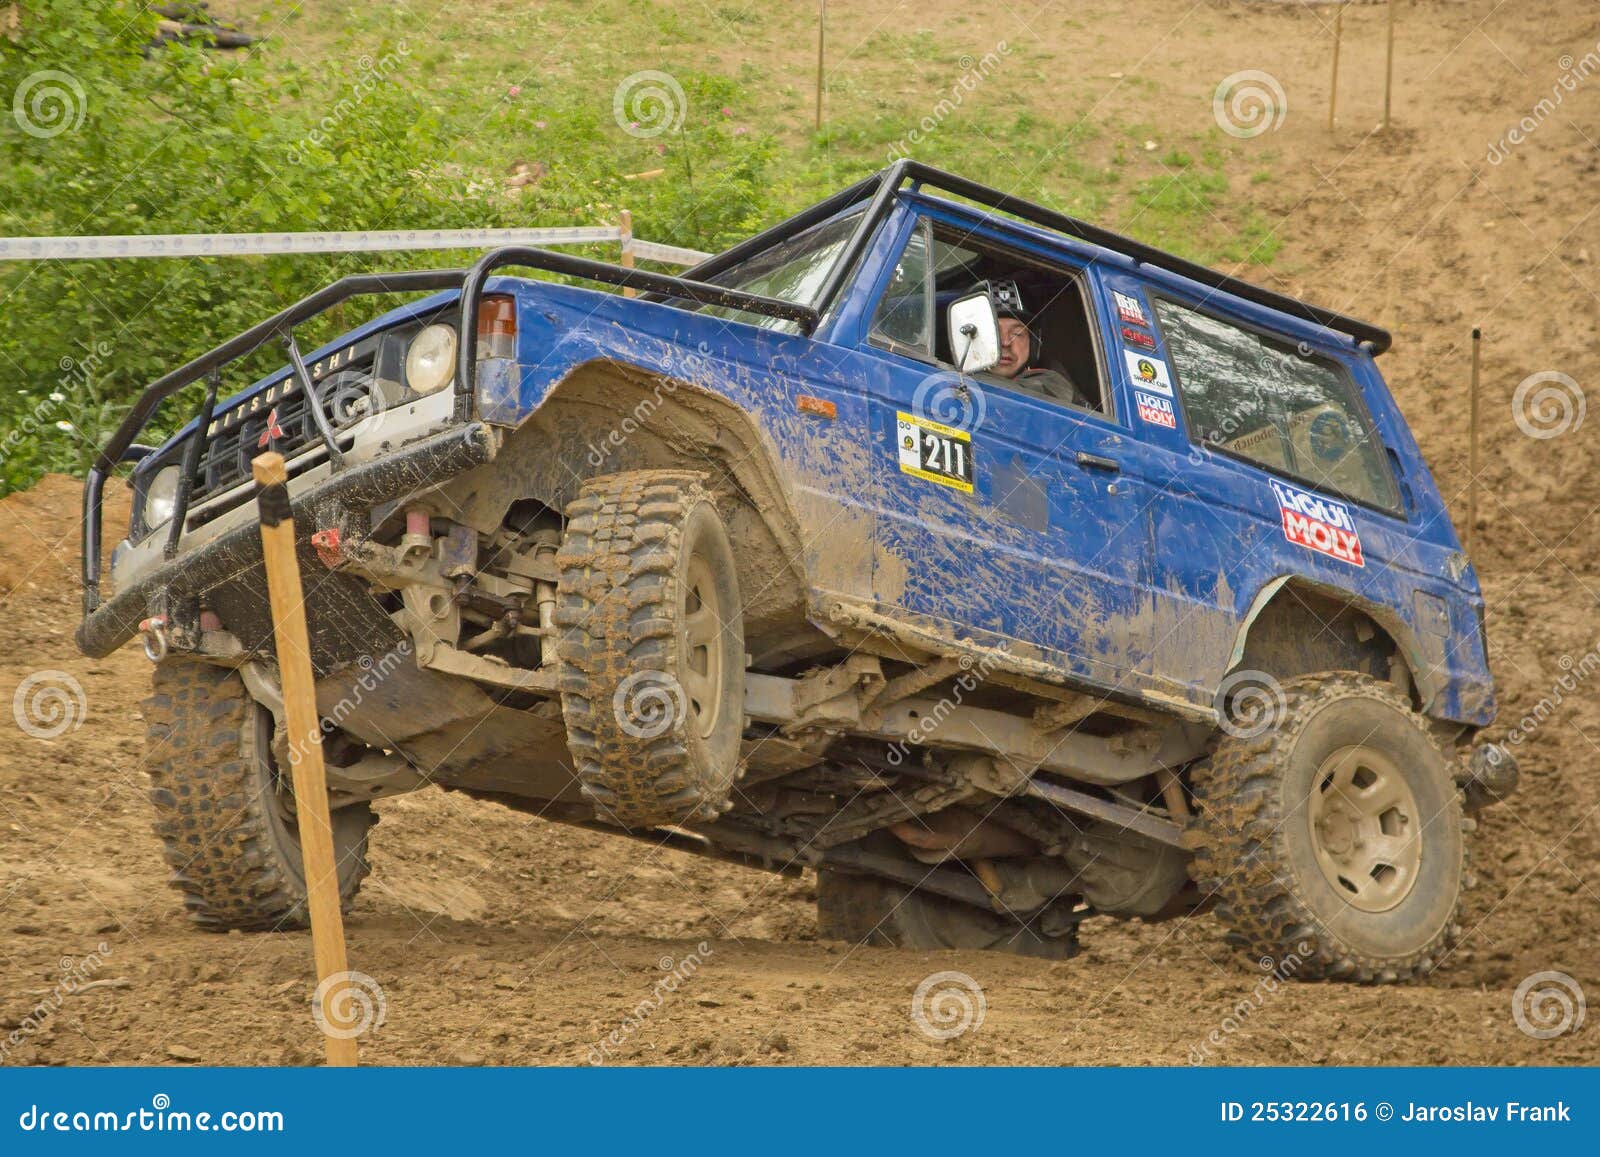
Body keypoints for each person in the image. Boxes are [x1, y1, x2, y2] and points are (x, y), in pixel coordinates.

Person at [981, 280, 1089, 408]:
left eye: (1017, 333)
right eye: (993, 332)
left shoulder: (1051, 386)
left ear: (1033, 344)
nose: (1005, 342)